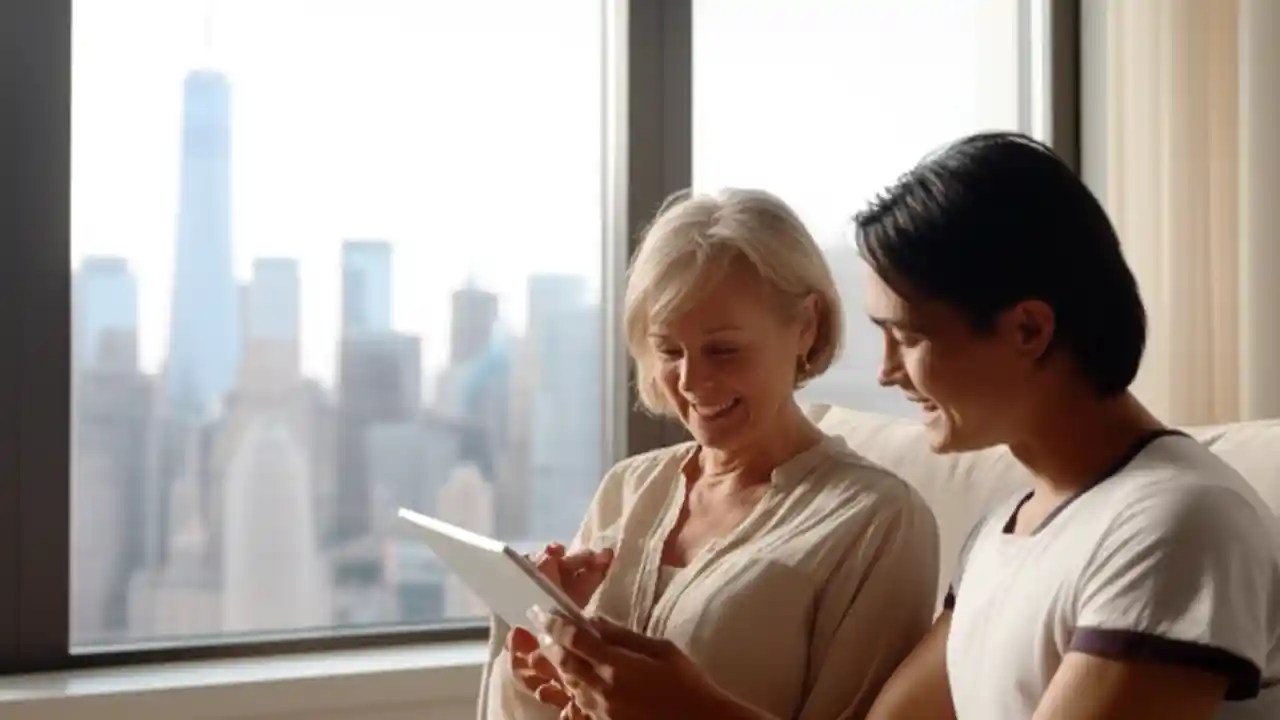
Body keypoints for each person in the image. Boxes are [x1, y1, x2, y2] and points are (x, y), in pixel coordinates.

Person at [844, 132, 1278, 719]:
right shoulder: (1003, 529)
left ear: (1029, 330)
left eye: (910, 337)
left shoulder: (1179, 524)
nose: (886, 372)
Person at [478, 188, 940, 720]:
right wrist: (534, 657)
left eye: (723, 349)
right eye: (669, 351)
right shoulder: (628, 489)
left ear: (806, 326)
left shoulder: (877, 522)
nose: (692, 381)